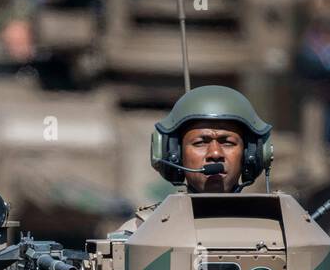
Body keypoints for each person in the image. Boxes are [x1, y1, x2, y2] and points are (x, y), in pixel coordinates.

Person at [114, 84, 273, 236]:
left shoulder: (277, 228)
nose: (215, 153)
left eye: (227, 142)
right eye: (200, 143)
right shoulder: (140, 232)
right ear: (174, 155)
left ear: (251, 155)